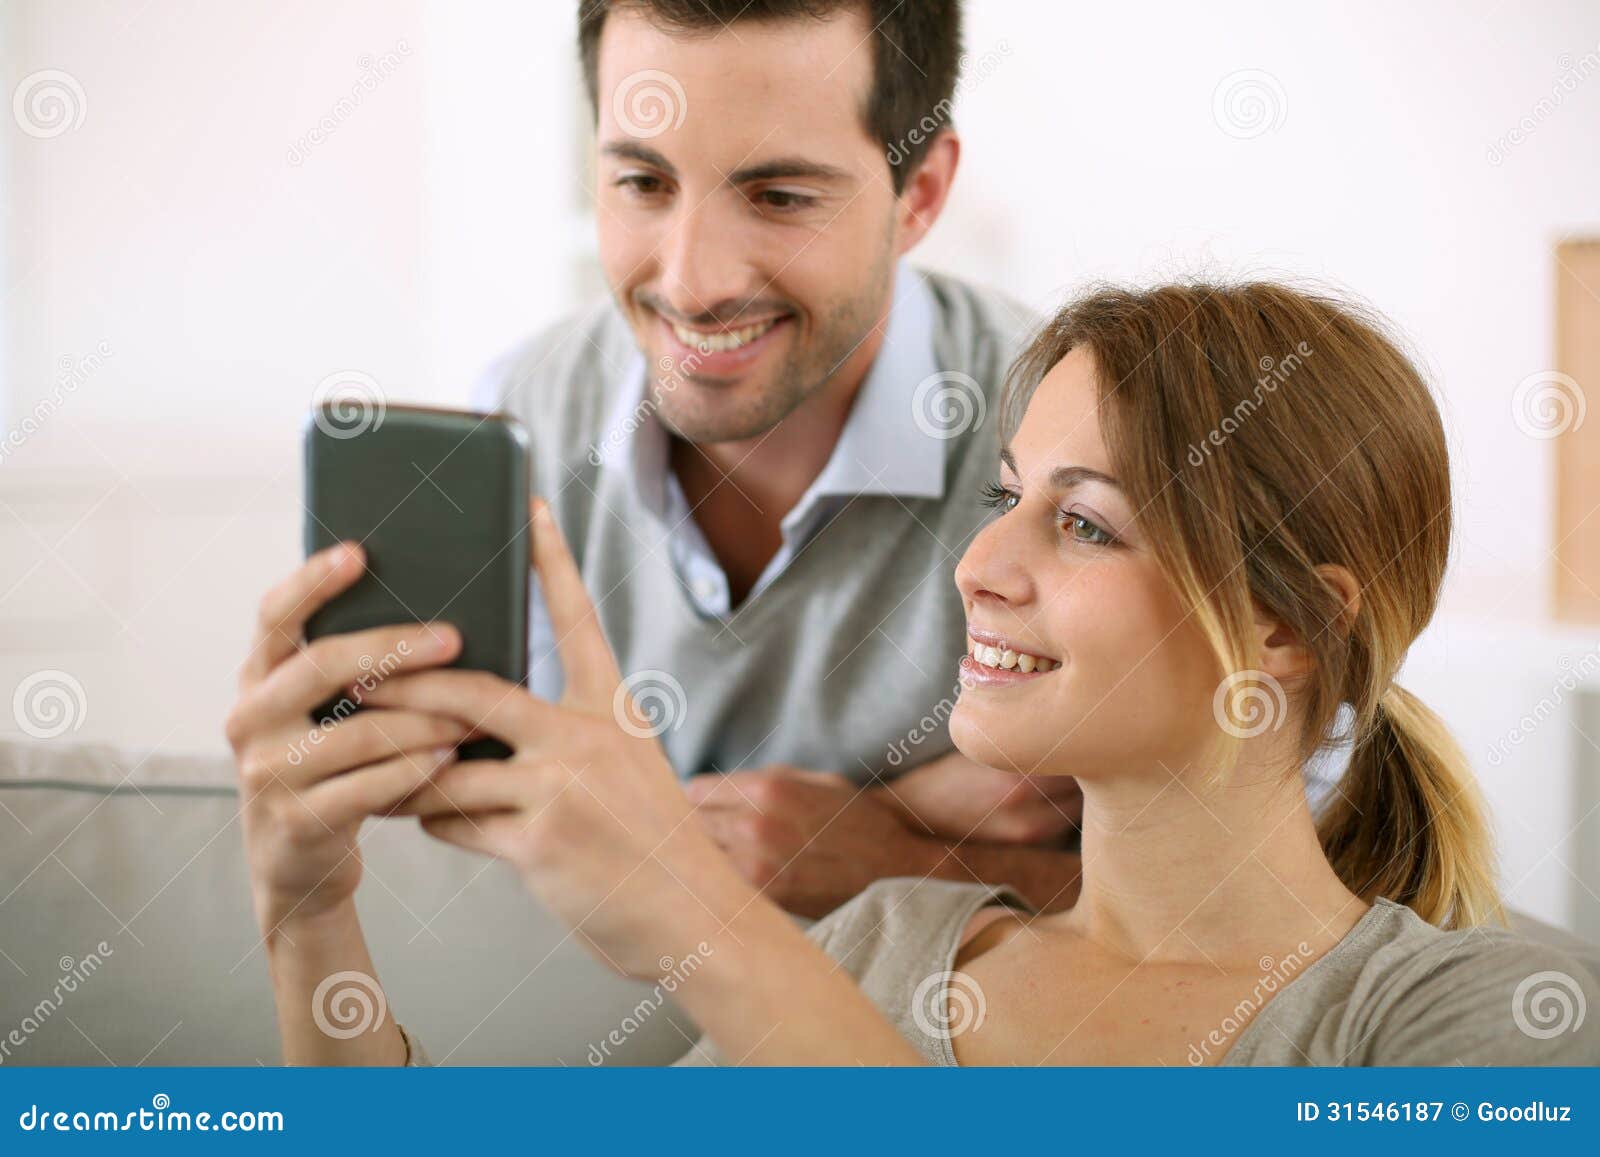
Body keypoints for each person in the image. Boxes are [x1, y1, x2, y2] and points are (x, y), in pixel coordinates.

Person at [237, 278, 1596, 1066]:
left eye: (1081, 520)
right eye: (1006, 496)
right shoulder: (880, 949)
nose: (979, 564)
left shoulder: (1464, 1020)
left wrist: (697, 918)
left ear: (1288, 628)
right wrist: (311, 917)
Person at [458, 0, 1084, 916]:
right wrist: (901, 821)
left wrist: (892, 864)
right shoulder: (518, 414)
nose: (691, 283)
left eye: (781, 198)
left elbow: (1273, 903)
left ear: (921, 194)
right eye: (642, 183)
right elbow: (456, 835)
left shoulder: (1077, 439)